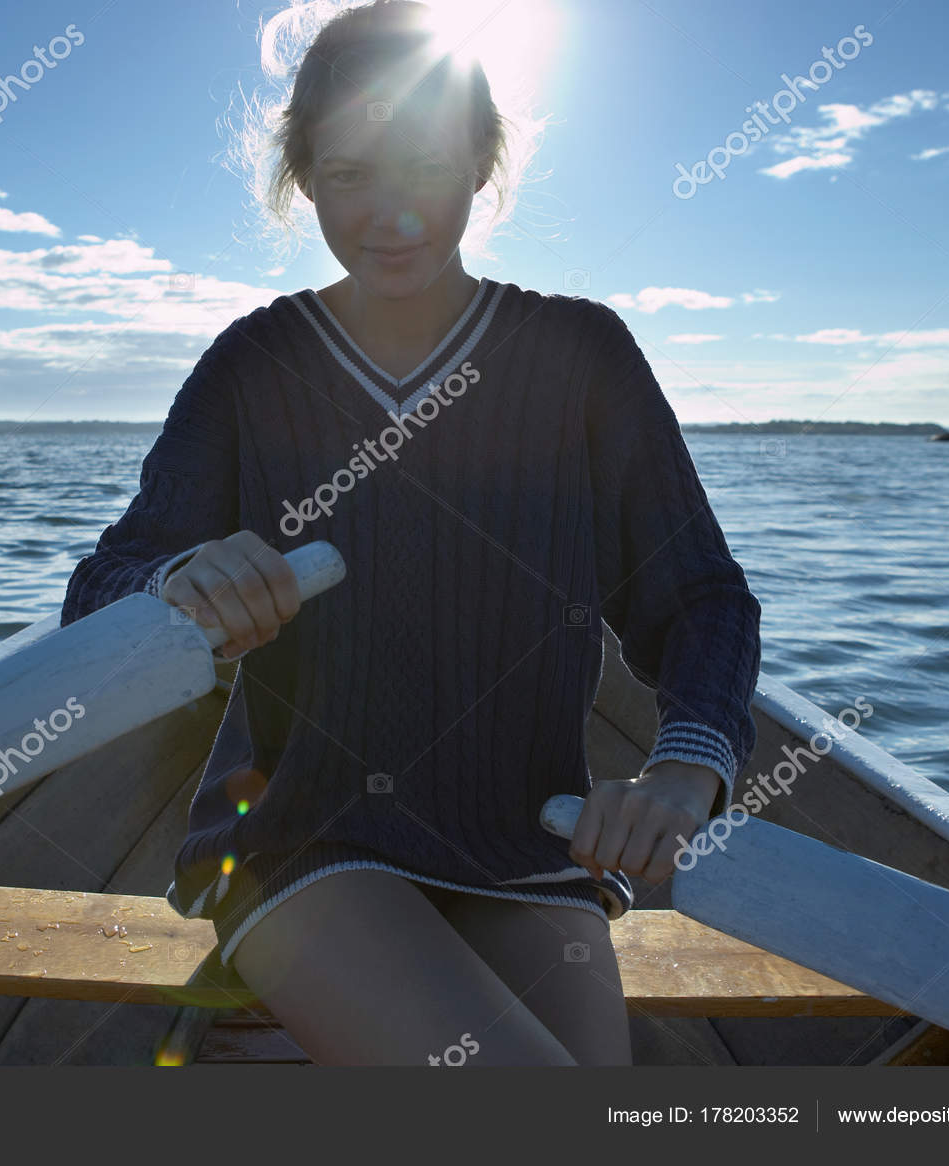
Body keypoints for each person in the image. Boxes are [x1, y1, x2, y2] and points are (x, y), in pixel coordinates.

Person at [60, 0, 761, 1066]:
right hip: (301, 842)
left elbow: (701, 599)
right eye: (347, 176)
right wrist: (179, 580)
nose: (390, 214)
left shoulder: (584, 357)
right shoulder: (254, 365)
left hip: (532, 841)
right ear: (302, 179)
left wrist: (682, 772)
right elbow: (100, 585)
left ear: (483, 162)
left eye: (424, 166)